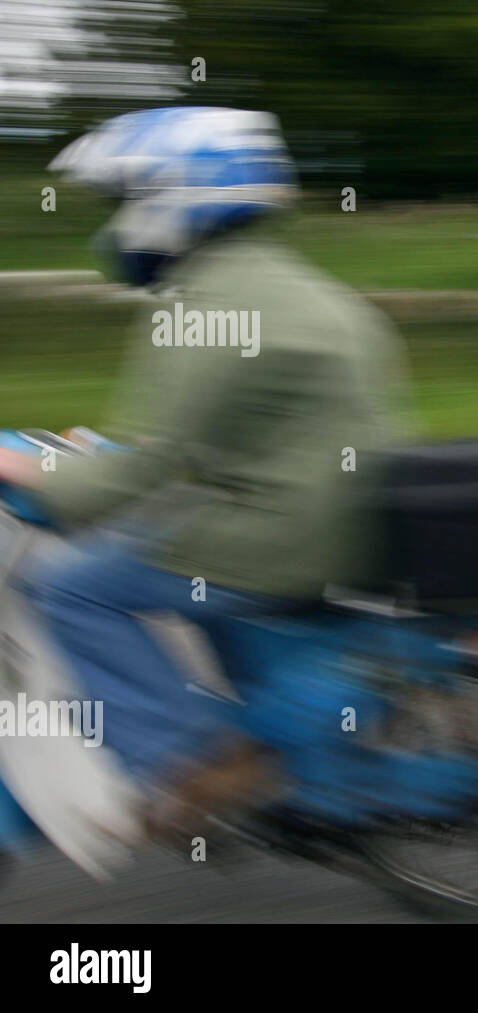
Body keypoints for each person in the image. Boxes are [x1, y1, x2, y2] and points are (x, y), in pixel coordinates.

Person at [0, 107, 410, 825]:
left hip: (280, 536)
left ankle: (189, 757)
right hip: (346, 517)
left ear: (173, 195)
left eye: (127, 199)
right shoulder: (289, 284)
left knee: (67, 587)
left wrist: (24, 468)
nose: (120, 221)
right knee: (156, 542)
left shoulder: (205, 305)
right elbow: (215, 435)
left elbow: (131, 478)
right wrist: (114, 456)